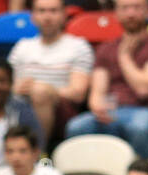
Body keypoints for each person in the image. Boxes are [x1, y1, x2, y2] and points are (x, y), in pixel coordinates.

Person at [64, 0, 148, 159]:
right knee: (76, 127)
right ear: (116, 13)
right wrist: (97, 106)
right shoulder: (106, 49)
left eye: (136, 8)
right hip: (111, 112)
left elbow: (144, 89)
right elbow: (97, 92)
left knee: (139, 128)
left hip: (147, 112)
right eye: (125, 8)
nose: (131, 13)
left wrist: (125, 56)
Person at [8, 0, 93, 146]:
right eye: (41, 11)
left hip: (61, 111)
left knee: (40, 92)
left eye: (53, 11)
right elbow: (8, 85)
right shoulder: (22, 46)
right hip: (20, 104)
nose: (47, 17)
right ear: (33, 16)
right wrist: (17, 88)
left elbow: (78, 93)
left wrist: (43, 89)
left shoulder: (78, 46)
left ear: (64, 15)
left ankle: (39, 153)